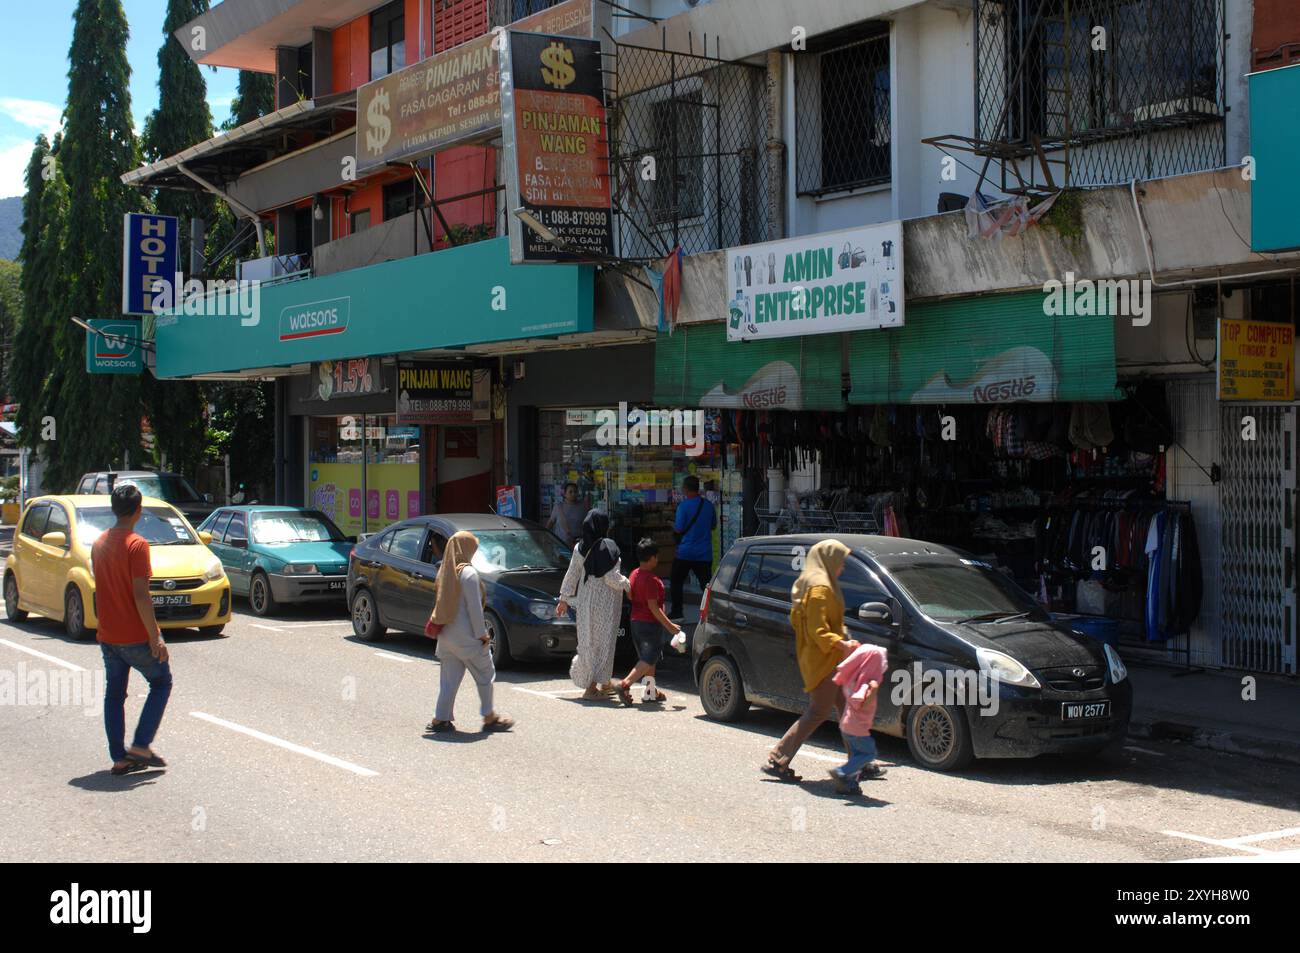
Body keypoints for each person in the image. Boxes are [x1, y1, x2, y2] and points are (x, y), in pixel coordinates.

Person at [92, 484, 173, 777]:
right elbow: (141, 595)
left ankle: (119, 758)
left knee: (114, 695)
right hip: (133, 636)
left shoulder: (99, 542)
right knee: (161, 682)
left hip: (108, 635)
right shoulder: (137, 545)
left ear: (114, 509)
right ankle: (140, 746)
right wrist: (156, 636)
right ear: (138, 511)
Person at [763, 539, 859, 782]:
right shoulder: (820, 587)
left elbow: (826, 622)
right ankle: (778, 757)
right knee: (818, 711)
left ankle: (859, 759)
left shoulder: (816, 582)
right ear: (828, 560)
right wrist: (843, 643)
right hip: (824, 660)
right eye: (841, 562)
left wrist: (844, 636)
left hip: (828, 658)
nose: (842, 568)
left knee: (847, 709)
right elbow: (818, 629)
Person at [424, 531, 514, 734]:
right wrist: (482, 635)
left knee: (449, 681)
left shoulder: (445, 571)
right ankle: (489, 716)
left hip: (446, 636)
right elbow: (474, 609)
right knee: (485, 674)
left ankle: (440, 719)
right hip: (467, 637)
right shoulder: (469, 574)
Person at [557, 511, 629, 699]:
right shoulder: (609, 548)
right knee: (604, 644)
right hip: (606, 604)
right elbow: (611, 578)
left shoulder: (579, 547)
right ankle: (591, 688)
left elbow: (572, 573)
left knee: (589, 643)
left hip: (585, 601)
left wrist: (564, 598)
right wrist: (628, 584)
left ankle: (605, 684)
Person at [613, 538, 683, 706]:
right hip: (650, 624)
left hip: (635, 621)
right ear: (652, 558)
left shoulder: (634, 574)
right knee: (649, 658)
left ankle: (650, 691)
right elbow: (654, 608)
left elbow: (630, 596)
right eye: (656, 557)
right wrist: (670, 626)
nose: (657, 560)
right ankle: (624, 684)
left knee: (649, 659)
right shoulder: (651, 579)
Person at [829, 642, 889, 794]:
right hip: (857, 728)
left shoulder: (854, 679)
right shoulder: (866, 683)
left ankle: (849, 786)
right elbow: (859, 701)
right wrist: (873, 690)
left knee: (857, 757)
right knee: (869, 754)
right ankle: (841, 772)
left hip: (848, 725)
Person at [668, 475, 716, 621]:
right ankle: (713, 613)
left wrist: (671, 524)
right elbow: (713, 525)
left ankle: (677, 612)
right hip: (704, 553)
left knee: (676, 581)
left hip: (685, 552)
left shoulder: (683, 506)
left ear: (686, 489)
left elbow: (679, 528)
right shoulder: (708, 505)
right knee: (706, 586)